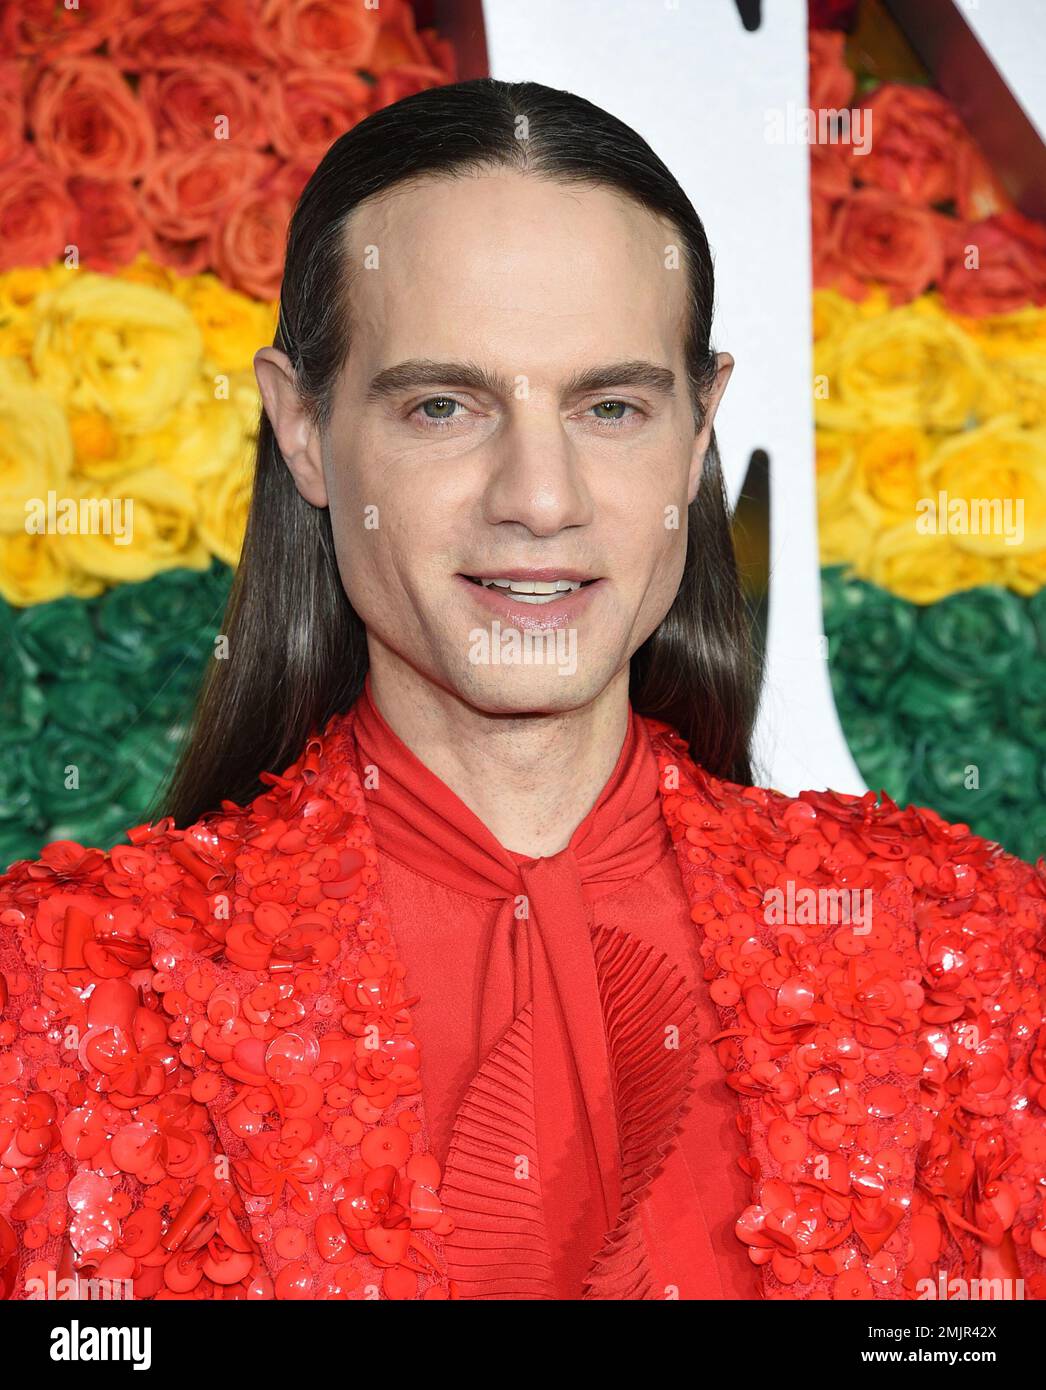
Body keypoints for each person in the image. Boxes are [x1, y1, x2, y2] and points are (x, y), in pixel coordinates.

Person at [1, 78, 1044, 1303]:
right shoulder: (60, 997)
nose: (539, 498)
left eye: (610, 407)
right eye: (444, 405)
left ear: (698, 428)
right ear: (300, 429)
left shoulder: (973, 959)